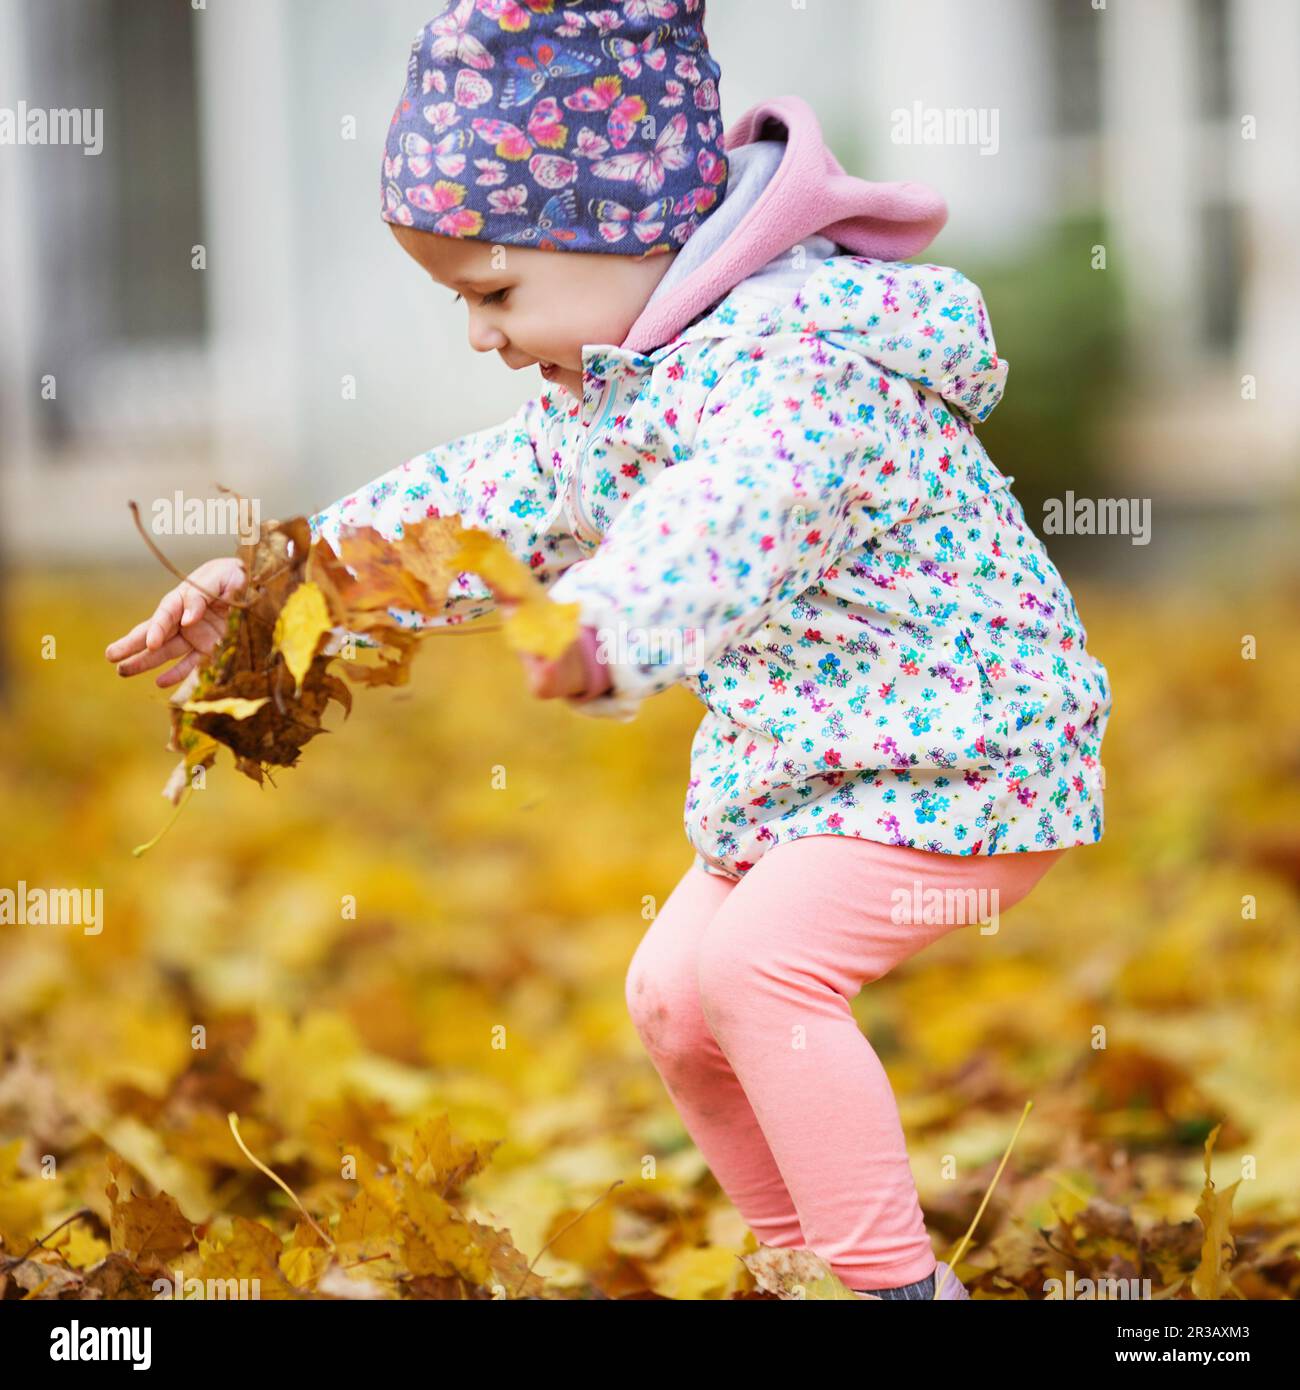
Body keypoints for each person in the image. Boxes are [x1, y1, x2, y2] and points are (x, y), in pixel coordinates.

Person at [106, 0, 1111, 1300]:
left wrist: (612, 619)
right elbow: (467, 512)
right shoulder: (620, 386)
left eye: (497, 291)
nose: (481, 333)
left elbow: (739, 509)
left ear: (625, 227)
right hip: (818, 770)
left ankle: (893, 1288)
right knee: (674, 999)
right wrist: (273, 589)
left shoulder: (798, 368)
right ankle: (799, 1265)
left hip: (971, 756)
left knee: (758, 973)